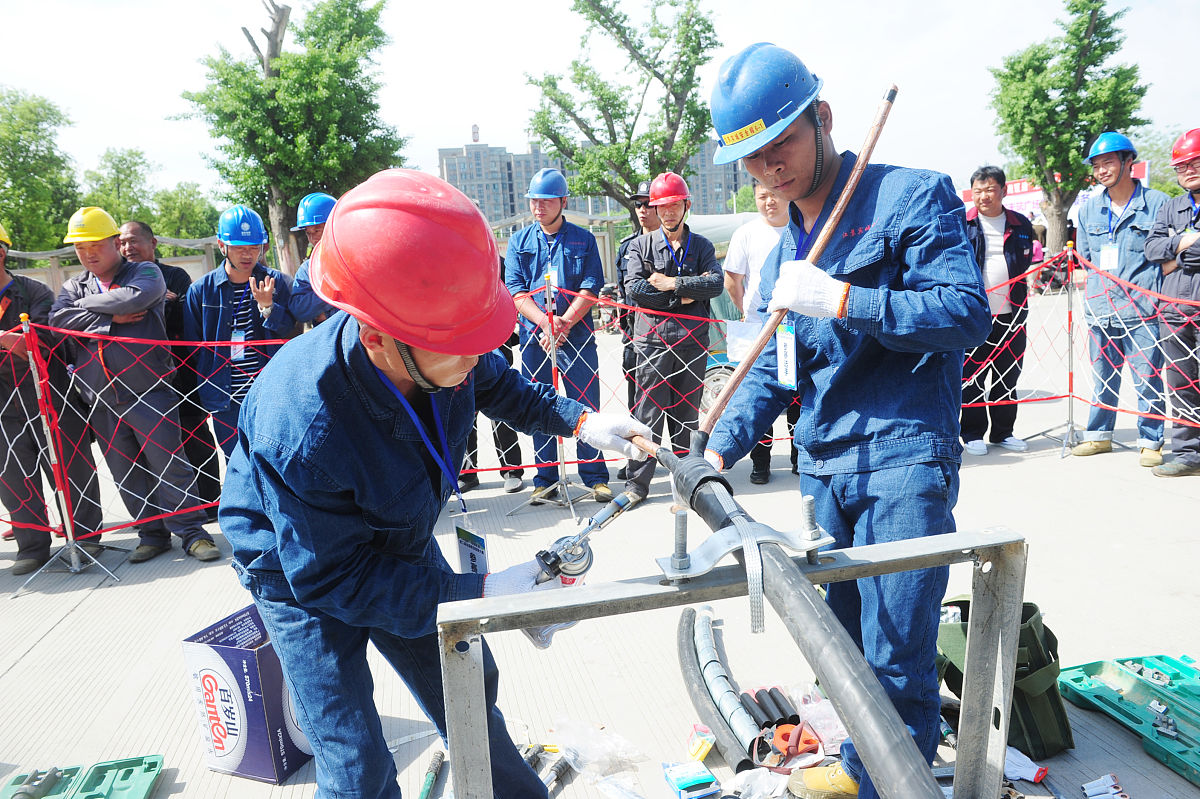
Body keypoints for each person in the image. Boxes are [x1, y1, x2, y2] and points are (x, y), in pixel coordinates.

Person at [218, 169, 652, 799]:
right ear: (376, 338)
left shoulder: (439, 341)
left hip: (395, 532)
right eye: (461, 349)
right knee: (355, 759)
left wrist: (583, 421)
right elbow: (335, 579)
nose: (475, 360)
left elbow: (501, 384)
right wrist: (479, 593)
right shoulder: (304, 425)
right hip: (300, 568)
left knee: (467, 689)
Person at [703, 43, 990, 798]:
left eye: (782, 145)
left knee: (896, 658)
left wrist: (843, 299)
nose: (770, 169)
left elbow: (965, 315)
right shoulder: (782, 256)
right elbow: (775, 368)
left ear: (823, 118)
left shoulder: (910, 196)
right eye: (752, 159)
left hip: (903, 457)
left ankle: (896, 785)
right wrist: (715, 449)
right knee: (844, 658)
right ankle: (867, 775)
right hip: (824, 471)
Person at [50, 207, 219, 564]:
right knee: (125, 472)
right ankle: (151, 535)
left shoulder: (145, 272)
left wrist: (85, 311)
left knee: (169, 464)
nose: (88, 253)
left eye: (96, 244)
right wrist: (110, 319)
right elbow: (57, 320)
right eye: (80, 247)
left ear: (115, 242)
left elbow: (136, 298)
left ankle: (193, 533)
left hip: (149, 390)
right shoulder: (73, 285)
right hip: (100, 398)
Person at [0, 221, 104, 575]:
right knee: (14, 476)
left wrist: (10, 339)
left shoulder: (32, 292)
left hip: (49, 397)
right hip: (3, 407)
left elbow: (41, 342)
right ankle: (32, 547)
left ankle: (86, 537)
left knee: (72, 470)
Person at [503, 167, 611, 503]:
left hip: (576, 338)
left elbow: (590, 287)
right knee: (539, 405)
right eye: (534, 201)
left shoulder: (583, 239)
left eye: (546, 201)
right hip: (536, 339)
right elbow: (516, 290)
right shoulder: (519, 242)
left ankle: (595, 477)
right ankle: (545, 479)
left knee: (586, 406)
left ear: (563, 202)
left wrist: (564, 322)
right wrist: (545, 324)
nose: (539, 207)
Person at [622, 172, 723, 503]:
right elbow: (636, 290)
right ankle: (637, 484)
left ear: (686, 205)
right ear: (655, 208)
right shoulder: (639, 246)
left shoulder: (703, 246)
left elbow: (715, 284)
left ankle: (686, 481)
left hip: (692, 342)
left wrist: (673, 284)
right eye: (662, 206)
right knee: (646, 415)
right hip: (652, 342)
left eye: (674, 205)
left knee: (687, 415)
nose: (668, 212)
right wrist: (685, 297)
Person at [1071, 132, 1169, 466]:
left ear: (1129, 162)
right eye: (1096, 165)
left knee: (1148, 377)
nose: (1102, 170)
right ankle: (1099, 436)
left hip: (1142, 310)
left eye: (1108, 162)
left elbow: (1168, 254)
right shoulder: (1089, 210)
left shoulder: (1157, 204)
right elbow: (1086, 258)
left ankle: (1151, 441)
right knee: (1103, 377)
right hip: (1101, 308)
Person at [118, 221, 221, 520]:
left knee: (194, 435)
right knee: (148, 446)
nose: (128, 247)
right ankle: (161, 512)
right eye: (122, 242)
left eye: (134, 240)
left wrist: (147, 307)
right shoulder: (118, 280)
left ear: (153, 243)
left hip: (181, 371)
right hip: (137, 376)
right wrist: (159, 302)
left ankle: (210, 501)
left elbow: (183, 318)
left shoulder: (175, 276)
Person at [184, 205, 294, 458]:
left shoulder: (276, 282)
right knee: (236, 463)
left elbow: (289, 332)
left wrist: (268, 307)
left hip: (270, 394)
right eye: (239, 247)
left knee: (275, 461)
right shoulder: (201, 291)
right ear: (222, 246)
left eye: (254, 247)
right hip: (225, 398)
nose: (248, 254)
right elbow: (193, 346)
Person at [723, 179, 799, 482]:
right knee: (759, 397)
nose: (769, 202)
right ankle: (761, 462)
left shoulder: (803, 226)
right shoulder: (746, 233)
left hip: (796, 327)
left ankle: (799, 456)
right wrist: (746, 311)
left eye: (774, 195)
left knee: (797, 396)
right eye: (762, 196)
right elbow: (732, 279)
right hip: (759, 329)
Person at [960, 166, 1035, 456]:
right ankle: (972, 433)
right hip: (975, 315)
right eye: (977, 191)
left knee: (1008, 375)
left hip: (1012, 315)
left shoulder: (1020, 224)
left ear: (1003, 190)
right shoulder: (963, 223)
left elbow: (1024, 263)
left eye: (990, 189)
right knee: (973, 376)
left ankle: (1004, 432)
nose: (983, 196)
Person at [1144, 128, 1200, 477]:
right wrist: (1186, 244)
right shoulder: (1171, 207)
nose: (1188, 171)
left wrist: (1175, 254)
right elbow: (1152, 250)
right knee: (1181, 383)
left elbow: (1169, 254)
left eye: (1195, 163)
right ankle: (1186, 453)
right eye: (1182, 166)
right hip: (1175, 309)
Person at [460, 255, 526, 494]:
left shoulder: (496, 262)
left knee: (501, 410)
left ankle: (512, 470)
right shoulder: (448, 259)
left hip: (495, 347)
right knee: (464, 414)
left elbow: (510, 301)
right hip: (460, 349)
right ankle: (467, 473)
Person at [614, 179, 661, 481]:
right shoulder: (626, 247)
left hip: (666, 335)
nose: (642, 210)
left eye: (648, 204)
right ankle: (637, 460)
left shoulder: (672, 245)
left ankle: (676, 459)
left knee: (673, 405)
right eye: (638, 204)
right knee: (637, 404)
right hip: (634, 337)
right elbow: (623, 293)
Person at [288, 192, 338, 326]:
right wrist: (333, 290)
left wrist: (328, 314)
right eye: (308, 233)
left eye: (317, 230)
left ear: (334, 225)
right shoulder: (307, 269)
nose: (312, 239)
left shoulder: (356, 260)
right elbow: (298, 309)